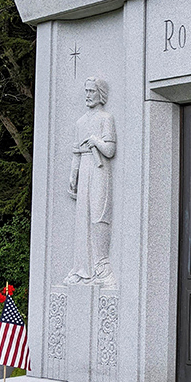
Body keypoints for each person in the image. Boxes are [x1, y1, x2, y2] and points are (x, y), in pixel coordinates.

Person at [65, 77, 116, 286]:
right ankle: (81, 268)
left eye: (91, 91)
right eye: (86, 91)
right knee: (82, 219)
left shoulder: (106, 118)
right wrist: (73, 176)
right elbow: (77, 153)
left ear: (100, 94)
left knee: (98, 214)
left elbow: (110, 150)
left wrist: (95, 140)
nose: (87, 95)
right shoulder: (80, 122)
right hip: (85, 166)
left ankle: (101, 265)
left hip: (99, 168)